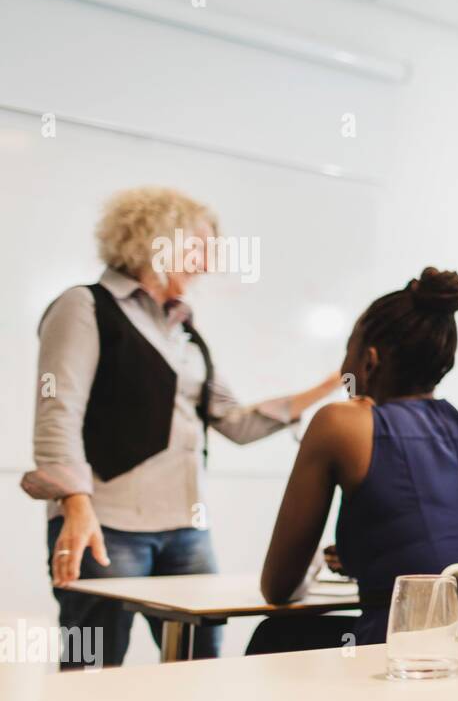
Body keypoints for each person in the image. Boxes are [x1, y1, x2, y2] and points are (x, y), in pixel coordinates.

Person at [24, 186, 337, 668]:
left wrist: (333, 383)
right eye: (199, 247)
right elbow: (57, 409)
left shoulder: (186, 332)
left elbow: (235, 422)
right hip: (108, 526)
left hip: (186, 530)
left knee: (201, 667)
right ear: (155, 240)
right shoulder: (83, 306)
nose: (207, 264)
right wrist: (75, 505)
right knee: (93, 669)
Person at [251, 267, 458, 653]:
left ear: (369, 360)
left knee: (272, 637)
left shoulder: (340, 423)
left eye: (348, 350)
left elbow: (277, 586)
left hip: (401, 648)